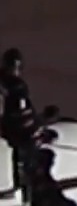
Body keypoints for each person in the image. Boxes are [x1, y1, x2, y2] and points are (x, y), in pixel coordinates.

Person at [1, 48, 35, 198]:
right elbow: (22, 109)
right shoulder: (17, 85)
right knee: (24, 155)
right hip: (15, 125)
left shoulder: (4, 80)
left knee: (18, 154)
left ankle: (21, 185)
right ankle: (25, 189)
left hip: (9, 124)